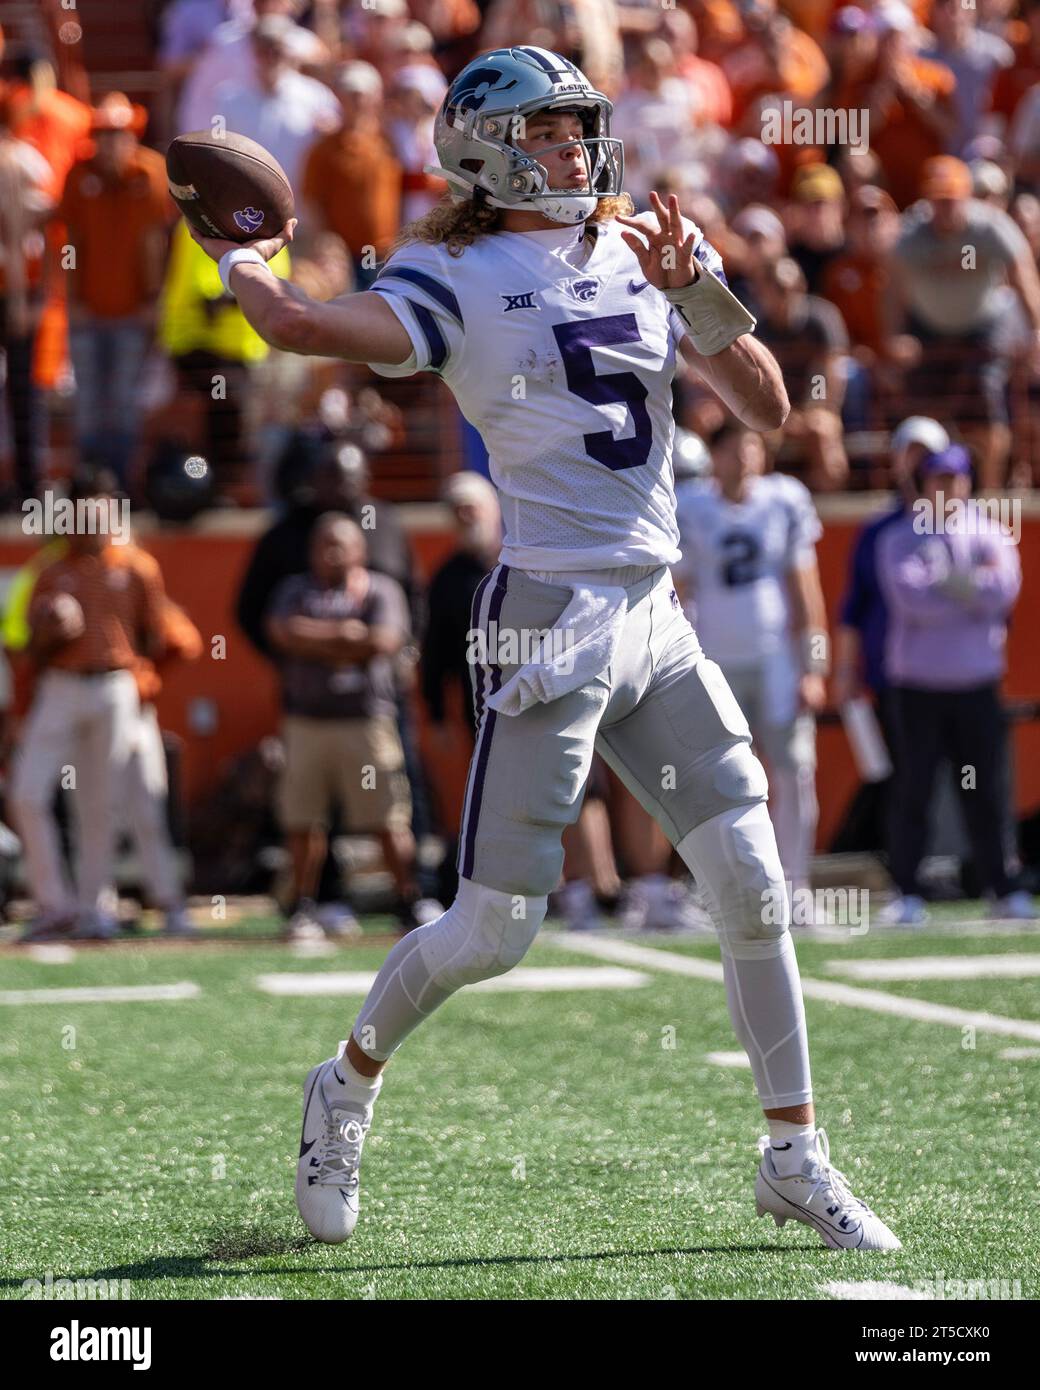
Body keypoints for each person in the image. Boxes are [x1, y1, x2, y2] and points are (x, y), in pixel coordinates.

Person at [189, 44, 899, 1252]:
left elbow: (772, 408)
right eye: (551, 132)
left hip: (653, 611)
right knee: (494, 929)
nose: (578, 149)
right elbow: (304, 324)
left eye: (582, 128)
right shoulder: (450, 270)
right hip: (547, 616)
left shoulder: (639, 244)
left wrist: (700, 297)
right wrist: (242, 254)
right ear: (484, 148)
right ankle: (347, 1081)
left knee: (752, 882)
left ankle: (792, 1151)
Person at [874, 445, 1033, 924]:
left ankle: (1001, 889)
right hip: (918, 686)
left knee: (986, 791)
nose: (946, 487)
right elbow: (910, 599)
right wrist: (968, 591)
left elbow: (1004, 589)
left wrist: (949, 583)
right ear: (923, 484)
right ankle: (905, 890)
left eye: (955, 478)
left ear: (967, 483)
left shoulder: (989, 531)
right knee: (914, 789)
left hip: (976, 684)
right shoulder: (899, 535)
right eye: (938, 479)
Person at [9, 475, 168, 939]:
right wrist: (51, 632)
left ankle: (93, 908)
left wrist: (136, 683)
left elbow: (156, 636)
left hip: (115, 687)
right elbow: (26, 651)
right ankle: (53, 904)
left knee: (101, 804)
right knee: (26, 792)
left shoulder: (138, 567)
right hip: (59, 686)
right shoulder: (49, 570)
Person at [674, 420, 826, 903]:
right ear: (714, 456)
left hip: (776, 659)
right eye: (734, 447)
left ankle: (794, 885)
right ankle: (727, 889)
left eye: (753, 446)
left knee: (794, 769)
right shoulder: (692, 506)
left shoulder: (784, 499)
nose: (744, 457)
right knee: (721, 777)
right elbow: (679, 591)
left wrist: (814, 666)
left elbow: (806, 589)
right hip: (715, 660)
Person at [267, 513, 433, 937]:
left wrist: (316, 639)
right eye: (323, 544)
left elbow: (384, 641)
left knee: (388, 816)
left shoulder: (381, 588)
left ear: (360, 549)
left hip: (367, 720)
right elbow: (282, 632)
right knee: (304, 820)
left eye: (339, 543)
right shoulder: (294, 589)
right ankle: (302, 906)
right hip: (307, 722)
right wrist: (346, 635)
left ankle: (408, 900)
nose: (331, 551)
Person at [887, 156, 1040, 489]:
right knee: (921, 416)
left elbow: (1022, 274)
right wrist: (895, 336)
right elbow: (892, 289)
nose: (944, 208)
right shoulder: (912, 234)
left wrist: (1036, 331)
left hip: (982, 327)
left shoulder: (990, 228)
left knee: (986, 409)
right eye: (937, 199)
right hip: (927, 330)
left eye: (951, 199)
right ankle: (918, 495)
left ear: (966, 196)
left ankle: (989, 494)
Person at [60, 93, 174, 492]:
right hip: (89, 310)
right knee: (89, 401)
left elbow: (159, 241)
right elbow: (72, 244)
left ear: (133, 136)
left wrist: (153, 296)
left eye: (119, 134)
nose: (111, 143)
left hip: (132, 309)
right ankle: (87, 486)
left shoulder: (151, 176)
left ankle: (121, 484)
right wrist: (72, 297)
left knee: (125, 401)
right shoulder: (79, 177)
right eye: (104, 134)